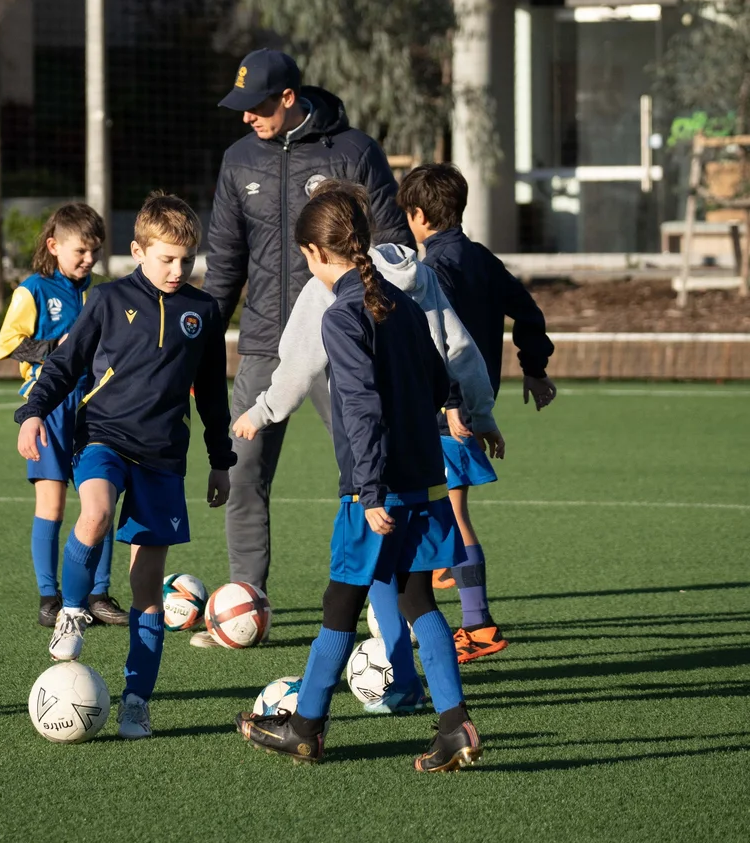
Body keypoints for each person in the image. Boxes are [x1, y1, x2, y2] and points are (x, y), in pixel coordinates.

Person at [235, 184, 482, 770]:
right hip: (423, 482)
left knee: (339, 607)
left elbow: (361, 404)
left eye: (305, 259)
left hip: (375, 492)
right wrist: (448, 416)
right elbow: (438, 378)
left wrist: (369, 491)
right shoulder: (402, 307)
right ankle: (455, 726)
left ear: (318, 255)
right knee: (419, 599)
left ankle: (305, 729)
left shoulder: (343, 316)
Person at [15, 193, 235, 740]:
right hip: (104, 436)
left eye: (187, 260)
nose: (177, 270)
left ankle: (137, 700)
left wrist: (220, 461)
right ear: (138, 251)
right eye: (165, 259)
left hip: (163, 457)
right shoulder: (109, 301)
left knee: (146, 588)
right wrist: (32, 411)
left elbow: (211, 394)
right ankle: (70, 610)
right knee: (92, 513)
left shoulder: (202, 312)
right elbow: (66, 365)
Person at [202, 48, 411, 622]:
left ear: (288, 98)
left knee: (363, 469)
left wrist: (387, 333)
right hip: (266, 344)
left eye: (256, 106)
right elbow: (224, 264)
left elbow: (395, 248)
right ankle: (248, 600)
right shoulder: (239, 159)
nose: (246, 117)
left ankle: (382, 600)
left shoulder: (354, 151)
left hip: (345, 343)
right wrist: (196, 351)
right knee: (241, 469)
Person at [398, 162, 556, 663]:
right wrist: (534, 366)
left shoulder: (433, 271)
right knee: (444, 511)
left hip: (451, 410)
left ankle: (478, 625)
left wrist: (448, 404)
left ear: (418, 216)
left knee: (457, 516)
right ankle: (447, 577)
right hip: (467, 403)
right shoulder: (482, 258)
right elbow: (528, 310)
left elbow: (439, 342)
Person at [0, 203, 125, 629]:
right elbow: (8, 344)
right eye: (81, 251)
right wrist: (60, 347)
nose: (89, 260)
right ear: (54, 246)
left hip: (94, 408)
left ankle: (98, 593)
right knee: (51, 506)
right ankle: (49, 598)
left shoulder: (104, 291)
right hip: (47, 409)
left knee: (100, 500)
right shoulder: (33, 290)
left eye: (95, 252)